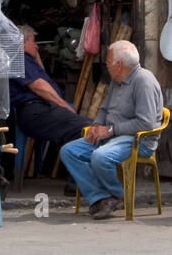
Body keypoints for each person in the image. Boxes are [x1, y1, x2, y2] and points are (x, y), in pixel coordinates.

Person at [59, 40, 163, 220]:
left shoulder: (143, 81)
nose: (106, 65)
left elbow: (145, 123)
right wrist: (96, 126)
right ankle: (100, 197)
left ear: (119, 65)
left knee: (100, 156)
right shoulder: (118, 80)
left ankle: (116, 195)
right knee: (69, 151)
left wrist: (109, 130)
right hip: (113, 136)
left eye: (108, 61)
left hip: (138, 140)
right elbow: (104, 109)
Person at [9, 25, 91, 182]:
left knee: (81, 126)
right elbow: (40, 86)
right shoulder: (18, 59)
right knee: (85, 127)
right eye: (33, 41)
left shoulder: (28, 60)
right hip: (34, 112)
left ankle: (74, 179)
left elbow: (42, 75)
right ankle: (77, 182)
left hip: (41, 109)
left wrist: (35, 54)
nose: (37, 46)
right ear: (22, 43)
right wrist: (64, 105)